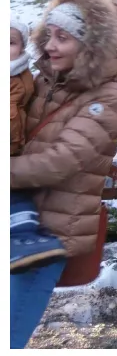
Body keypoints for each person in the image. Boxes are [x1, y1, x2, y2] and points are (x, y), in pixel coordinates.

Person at [10, 0, 117, 348]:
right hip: (16, 224)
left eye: (63, 38)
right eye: (49, 35)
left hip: (48, 238)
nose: (50, 45)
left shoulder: (110, 96)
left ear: (92, 47)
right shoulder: (44, 81)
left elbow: (63, 160)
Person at [11, 17, 68, 272]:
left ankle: (24, 241)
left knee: (18, 204)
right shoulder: (34, 79)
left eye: (10, 42)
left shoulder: (23, 79)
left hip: (15, 156)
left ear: (22, 47)